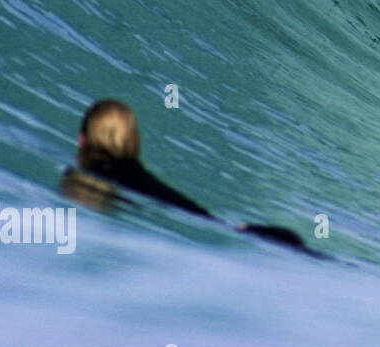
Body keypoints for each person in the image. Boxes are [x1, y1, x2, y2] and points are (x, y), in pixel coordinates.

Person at [61, 99, 310, 252]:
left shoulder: (91, 175)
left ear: (83, 140)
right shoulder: (132, 171)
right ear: (134, 141)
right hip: (222, 225)